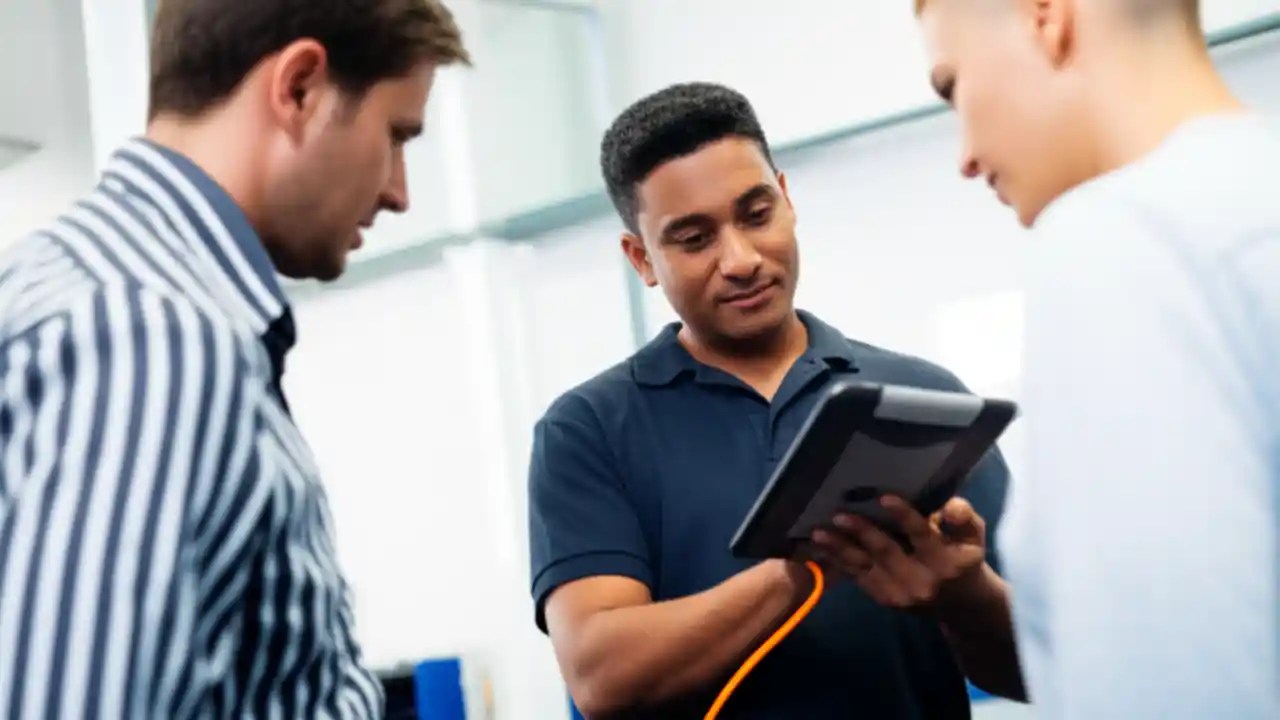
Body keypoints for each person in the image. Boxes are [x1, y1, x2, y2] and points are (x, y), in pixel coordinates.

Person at [0, 1, 468, 717]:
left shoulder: (70, 287)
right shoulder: (149, 337)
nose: (398, 192)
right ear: (300, 88)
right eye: (395, 135)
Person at [819, 0, 1280, 717]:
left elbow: (1175, 691)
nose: (965, 156)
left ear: (1046, 16)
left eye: (953, 88)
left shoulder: (1122, 242)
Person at [527, 81, 1012, 719]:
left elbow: (1047, 661)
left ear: (785, 199)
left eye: (756, 214)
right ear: (641, 258)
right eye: (695, 239)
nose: (741, 259)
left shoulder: (921, 398)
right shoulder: (588, 430)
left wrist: (964, 591)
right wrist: (805, 566)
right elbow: (603, 679)